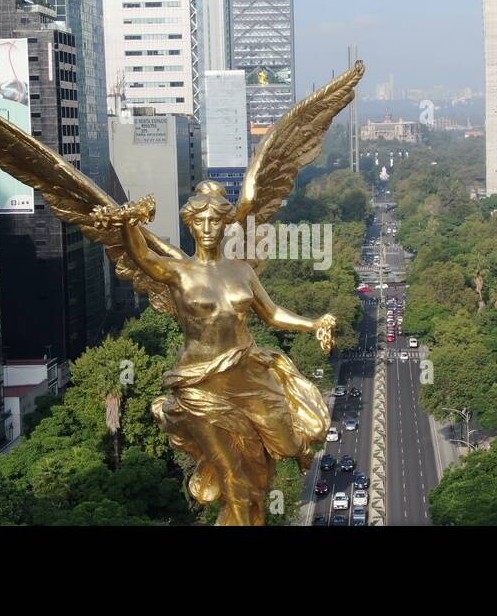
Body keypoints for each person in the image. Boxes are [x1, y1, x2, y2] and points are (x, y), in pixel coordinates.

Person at [109, 181, 336, 526]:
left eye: (214, 221)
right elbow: (142, 256)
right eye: (199, 221)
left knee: (288, 447)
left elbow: (272, 313)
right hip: (200, 383)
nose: (207, 228)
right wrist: (128, 222)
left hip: (248, 374)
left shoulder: (241, 271)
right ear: (190, 225)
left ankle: (286, 464)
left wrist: (313, 323)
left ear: (225, 223)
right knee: (231, 468)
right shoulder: (178, 272)